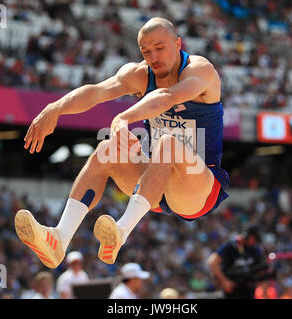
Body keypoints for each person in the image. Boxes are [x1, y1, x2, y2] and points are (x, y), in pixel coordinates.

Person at [15, 17, 230, 268]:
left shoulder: (200, 70)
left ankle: (122, 231)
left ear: (178, 44)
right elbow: (96, 92)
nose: (153, 56)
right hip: (156, 185)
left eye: (160, 48)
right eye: (146, 51)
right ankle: (59, 239)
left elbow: (166, 98)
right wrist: (56, 108)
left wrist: (123, 118)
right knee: (106, 151)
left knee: (169, 143)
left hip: (197, 187)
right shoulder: (139, 74)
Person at [207, 225, 274, 299]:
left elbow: (261, 269)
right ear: (247, 236)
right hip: (232, 290)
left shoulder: (255, 249)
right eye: (254, 239)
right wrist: (224, 281)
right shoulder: (231, 247)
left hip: (249, 290)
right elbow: (212, 262)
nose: (256, 242)